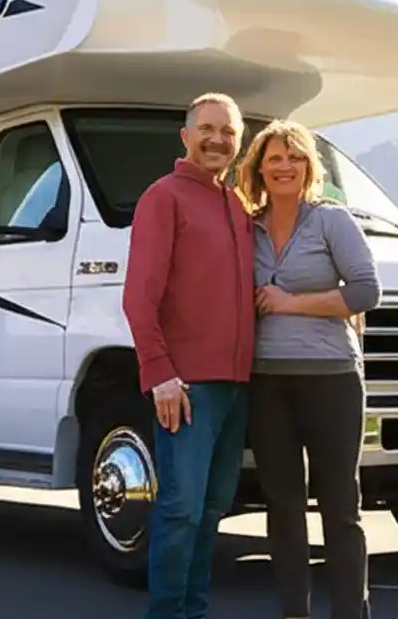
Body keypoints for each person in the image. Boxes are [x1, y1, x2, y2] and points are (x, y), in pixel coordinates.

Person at [235, 119, 382, 619]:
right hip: (268, 384)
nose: (284, 166)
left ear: (308, 166)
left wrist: (289, 303)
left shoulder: (331, 220)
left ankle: (351, 612)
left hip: (331, 381)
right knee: (284, 510)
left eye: (294, 156)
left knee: (340, 507)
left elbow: (366, 292)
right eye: (274, 158)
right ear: (258, 168)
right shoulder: (245, 227)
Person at [122, 92, 256, 619]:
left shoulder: (239, 205)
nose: (218, 139)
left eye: (228, 131)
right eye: (207, 128)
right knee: (180, 509)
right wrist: (161, 375)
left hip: (237, 387)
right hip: (186, 388)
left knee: (212, 508)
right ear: (186, 136)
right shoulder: (164, 197)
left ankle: (192, 611)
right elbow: (138, 297)